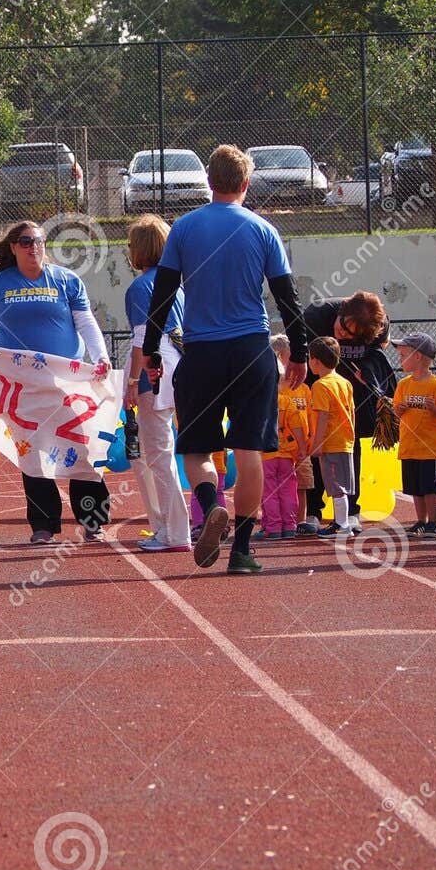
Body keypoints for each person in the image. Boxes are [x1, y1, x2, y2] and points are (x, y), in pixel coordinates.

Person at [143, 144, 309, 575]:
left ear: (209, 182)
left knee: (197, 449)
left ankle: (210, 503)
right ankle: (243, 550)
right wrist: (301, 352)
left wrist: (150, 353)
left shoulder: (183, 228)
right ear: (246, 184)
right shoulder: (263, 230)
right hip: (252, 348)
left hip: (202, 350)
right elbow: (287, 298)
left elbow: (162, 296)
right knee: (249, 448)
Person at [0, 220, 111, 544]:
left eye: (39, 241)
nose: (34, 248)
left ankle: (93, 520)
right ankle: (43, 526)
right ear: (14, 247)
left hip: (66, 383)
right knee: (32, 453)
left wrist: (100, 356)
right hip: (21, 386)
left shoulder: (66, 281)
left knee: (82, 449)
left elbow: (86, 323)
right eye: (27, 242)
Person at [299, 292, 397, 535]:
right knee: (317, 446)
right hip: (318, 382)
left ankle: (351, 510)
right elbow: (300, 352)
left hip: (352, 385)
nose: (341, 334)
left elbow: (378, 351)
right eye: (341, 327)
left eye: (349, 335)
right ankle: (313, 510)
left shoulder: (380, 325)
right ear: (341, 312)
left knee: (348, 444)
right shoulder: (317, 315)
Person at [122, 215, 191, 552]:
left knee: (159, 455)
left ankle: (174, 532)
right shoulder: (181, 284)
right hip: (185, 365)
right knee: (186, 452)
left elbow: (141, 341)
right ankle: (181, 524)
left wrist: (133, 382)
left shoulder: (140, 288)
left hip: (156, 368)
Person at [391, 331, 436, 537]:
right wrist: (401, 408)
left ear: (417, 356)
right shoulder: (403, 384)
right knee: (415, 487)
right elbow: (396, 410)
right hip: (409, 446)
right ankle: (421, 521)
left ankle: (433, 522)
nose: (400, 359)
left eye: (403, 355)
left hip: (429, 447)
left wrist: (434, 409)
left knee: (429, 487)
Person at [302, 336, 355, 536]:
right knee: (340, 484)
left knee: (335, 485)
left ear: (315, 361)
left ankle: (341, 525)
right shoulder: (345, 382)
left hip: (331, 443)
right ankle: (341, 522)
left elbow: (323, 415)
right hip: (344, 440)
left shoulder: (320, 385)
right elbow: (350, 411)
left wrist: (317, 443)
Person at [261, 334, 310, 540]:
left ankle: (273, 527)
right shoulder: (288, 402)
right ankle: (290, 525)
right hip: (288, 455)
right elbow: (298, 426)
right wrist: (301, 448)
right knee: (289, 489)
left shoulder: (263, 402)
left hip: (267, 455)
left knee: (270, 491)